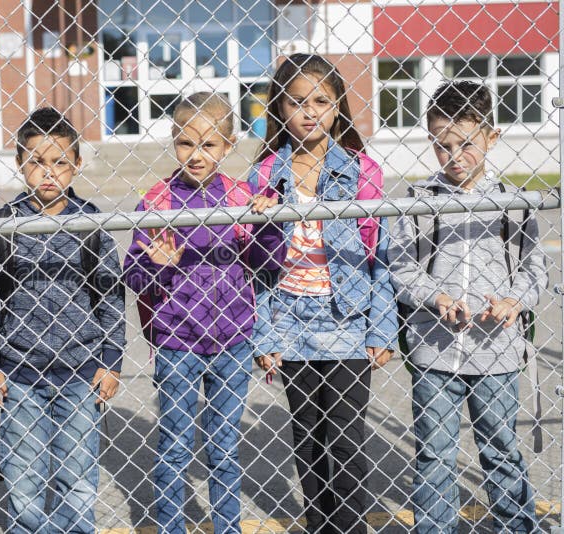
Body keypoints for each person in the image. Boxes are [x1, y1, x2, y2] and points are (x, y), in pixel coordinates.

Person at [388, 80, 547, 533]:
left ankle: (516, 525)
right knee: (435, 452)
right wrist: (434, 296)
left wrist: (515, 301)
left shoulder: (514, 204)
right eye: (443, 145)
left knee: (500, 447)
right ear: (430, 139)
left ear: (491, 138)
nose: (455, 156)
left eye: (466, 144)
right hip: (433, 353)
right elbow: (400, 268)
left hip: (496, 353)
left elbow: (536, 270)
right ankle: (436, 528)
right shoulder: (419, 202)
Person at [123, 92, 283, 534]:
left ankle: (227, 527)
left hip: (233, 338)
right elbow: (132, 277)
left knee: (223, 446)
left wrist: (270, 224)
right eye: (185, 143)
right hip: (176, 340)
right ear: (173, 141)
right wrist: (152, 266)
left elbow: (268, 262)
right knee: (174, 444)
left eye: (208, 145)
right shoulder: (157, 202)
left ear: (228, 146)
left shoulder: (240, 196)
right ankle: (173, 526)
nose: (196, 155)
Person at [250, 54, 398, 534]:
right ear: (279, 108)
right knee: (308, 441)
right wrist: (266, 336)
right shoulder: (264, 174)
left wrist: (381, 329)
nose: (309, 111)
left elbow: (381, 256)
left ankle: (349, 528)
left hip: (349, 320)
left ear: (338, 108)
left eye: (321, 101)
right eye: (296, 102)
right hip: (290, 320)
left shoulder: (362, 170)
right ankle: (319, 525)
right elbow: (256, 271)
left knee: (347, 442)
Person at [0, 107, 126, 533]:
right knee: (23, 479)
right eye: (36, 162)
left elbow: (110, 298)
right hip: (19, 374)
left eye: (60, 162)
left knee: (76, 476)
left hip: (80, 372)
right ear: (20, 164)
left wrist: (111, 359)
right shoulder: (5, 225)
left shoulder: (89, 223)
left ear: (77, 164)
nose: (48, 173)